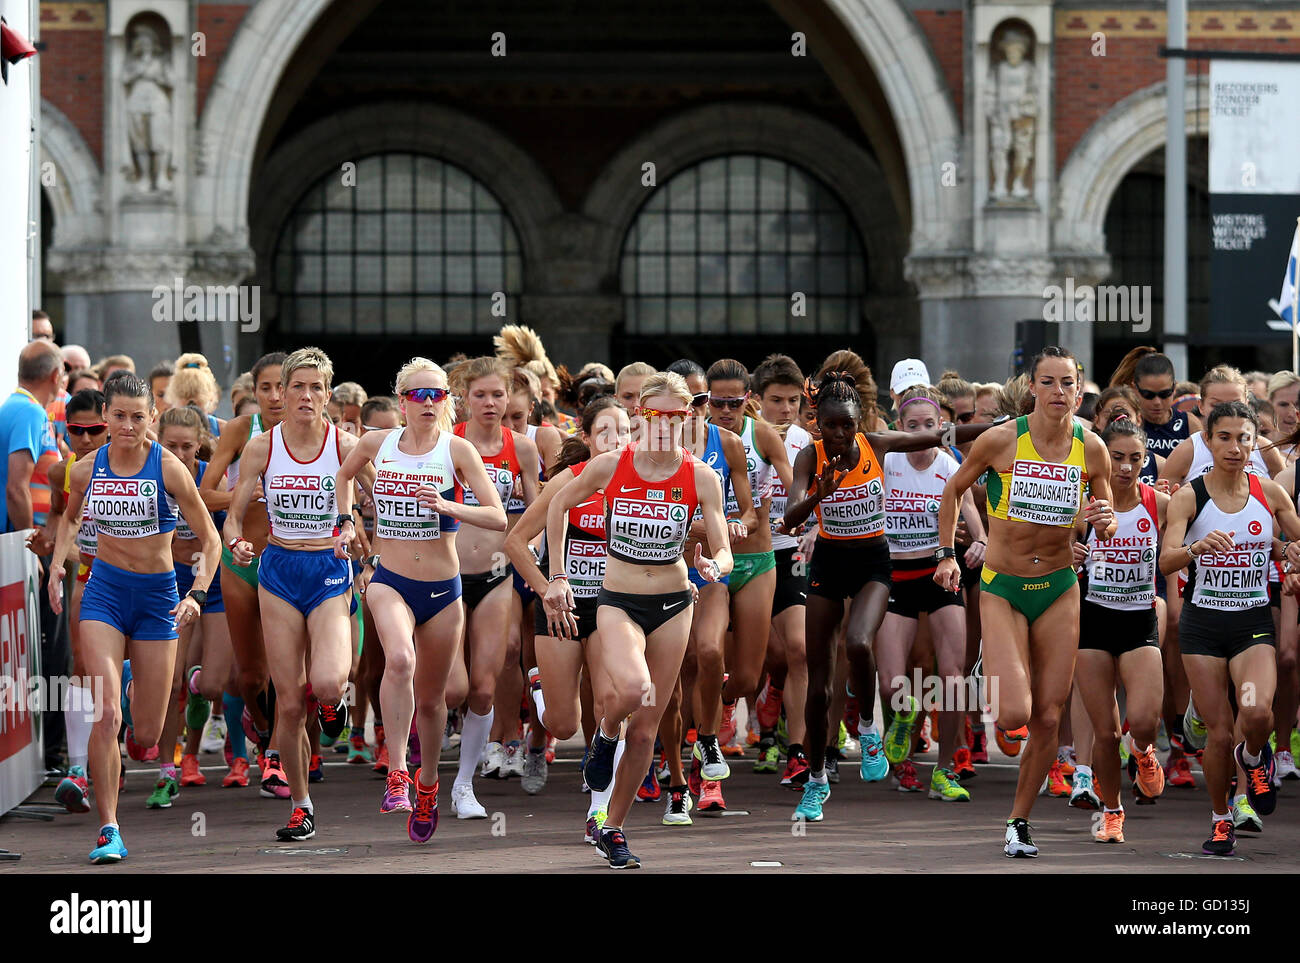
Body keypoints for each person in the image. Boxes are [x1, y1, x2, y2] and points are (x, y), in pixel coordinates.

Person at [784, 352, 991, 823]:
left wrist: (1017, 424)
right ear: (818, 424)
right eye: (830, 426)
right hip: (830, 562)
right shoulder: (808, 455)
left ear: (860, 423)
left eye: (847, 426)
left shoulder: (876, 445)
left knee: (858, 641)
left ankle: (869, 724)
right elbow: (790, 517)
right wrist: (822, 489)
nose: (839, 436)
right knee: (818, 685)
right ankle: (816, 780)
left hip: (875, 561)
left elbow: (942, 436)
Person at [545, 371, 733, 868]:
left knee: (649, 730)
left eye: (677, 416)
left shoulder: (701, 476)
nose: (667, 425)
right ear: (640, 416)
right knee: (630, 690)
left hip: (674, 604)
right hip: (619, 602)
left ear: (688, 419)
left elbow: (723, 548)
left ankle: (614, 829)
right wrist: (558, 574)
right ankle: (605, 736)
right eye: (656, 416)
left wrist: (716, 565)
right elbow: (558, 506)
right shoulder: (611, 465)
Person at [934, 346, 1116, 857]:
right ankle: (990, 661)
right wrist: (947, 554)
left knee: (1049, 718)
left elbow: (1104, 511)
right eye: (1049, 382)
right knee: (1014, 713)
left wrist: (1103, 521)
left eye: (1069, 384)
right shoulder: (1000, 440)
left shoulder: (1092, 447)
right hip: (1003, 586)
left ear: (1080, 392)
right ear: (1032, 387)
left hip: (1059, 586)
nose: (1060, 392)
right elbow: (952, 490)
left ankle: (1018, 821)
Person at [48, 374, 220, 863]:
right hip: (103, 592)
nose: (126, 427)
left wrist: (197, 595)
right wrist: (60, 564)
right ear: (107, 414)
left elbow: (211, 540)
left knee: (144, 734)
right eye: (118, 416)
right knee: (107, 716)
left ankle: (127, 678)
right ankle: (109, 828)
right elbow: (73, 518)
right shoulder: (85, 470)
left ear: (152, 418)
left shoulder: (168, 469)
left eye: (137, 417)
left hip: (157, 600)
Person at [335, 358, 506, 842]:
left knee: (433, 702)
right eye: (418, 395)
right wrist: (348, 522)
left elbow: (497, 516)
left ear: (447, 402)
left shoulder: (458, 450)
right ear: (402, 400)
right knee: (400, 660)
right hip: (389, 579)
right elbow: (342, 478)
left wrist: (449, 504)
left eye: (437, 395)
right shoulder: (378, 444)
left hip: (443, 590)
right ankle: (395, 773)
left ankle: (428, 783)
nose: (428, 403)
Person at [225, 347, 368, 841]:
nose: (306, 396)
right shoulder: (262, 448)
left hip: (328, 569)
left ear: (328, 395)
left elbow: (374, 500)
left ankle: (334, 705)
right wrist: (235, 542)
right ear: (281, 393)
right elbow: (233, 514)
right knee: (287, 705)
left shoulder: (347, 445)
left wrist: (361, 537)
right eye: (297, 387)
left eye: (316, 388)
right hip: (279, 569)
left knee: (328, 682)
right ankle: (302, 807)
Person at [1160, 400, 1300, 855]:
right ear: (1208, 440)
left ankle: (1254, 757)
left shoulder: (1269, 493)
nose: (1236, 447)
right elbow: (1165, 559)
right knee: (1219, 733)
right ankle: (1222, 818)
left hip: (1251, 626)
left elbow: (1295, 540)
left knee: (1257, 713)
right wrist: (1197, 548)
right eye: (1225, 437)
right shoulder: (1190, 496)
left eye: (1245, 438)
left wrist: (1289, 552)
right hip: (1203, 629)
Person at [505, 396, 631, 832]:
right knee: (563, 722)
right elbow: (516, 542)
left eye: (626, 431)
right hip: (562, 607)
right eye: (606, 432)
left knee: (609, 707)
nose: (618, 440)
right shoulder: (566, 482)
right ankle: (539, 687)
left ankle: (600, 810)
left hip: (613, 608)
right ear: (588, 437)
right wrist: (547, 589)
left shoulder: (642, 482)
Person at [876, 385, 986, 800]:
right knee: (890, 684)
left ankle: (944, 770)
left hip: (940, 574)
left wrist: (980, 542)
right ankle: (904, 719)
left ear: (941, 427)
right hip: (894, 576)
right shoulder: (887, 461)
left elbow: (970, 511)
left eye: (929, 425)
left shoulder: (947, 463)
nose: (921, 433)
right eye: (912, 426)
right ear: (899, 427)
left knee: (952, 677)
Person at [445, 356, 540, 815]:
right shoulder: (446, 443)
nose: (489, 402)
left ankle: (464, 785)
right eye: (479, 394)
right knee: (452, 689)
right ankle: (419, 764)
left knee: (485, 683)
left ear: (509, 398)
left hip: (498, 574)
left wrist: (530, 550)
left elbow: (538, 511)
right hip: (445, 574)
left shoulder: (521, 447)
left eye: (497, 395)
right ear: (463, 397)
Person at [1072, 419, 1169, 842]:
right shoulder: (1083, 504)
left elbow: (1201, 531)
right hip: (1092, 621)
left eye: (1135, 459)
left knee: (1144, 720)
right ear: (1102, 458)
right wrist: (1068, 551)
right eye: (1117, 458)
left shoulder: (1159, 504)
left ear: (1145, 460)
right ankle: (1112, 812)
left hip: (1139, 620)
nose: (1126, 468)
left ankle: (1144, 751)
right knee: (1106, 733)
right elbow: (1049, 550)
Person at [201, 352, 288, 798]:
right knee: (251, 678)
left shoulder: (319, 433)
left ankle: (276, 755)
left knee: (289, 675)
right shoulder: (240, 431)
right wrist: (238, 493)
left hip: (292, 567)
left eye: (282, 386)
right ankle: (261, 721)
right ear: (254, 392)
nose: (275, 397)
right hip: (240, 565)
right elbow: (203, 494)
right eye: (266, 388)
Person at [149, 406, 232, 803]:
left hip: (212, 587)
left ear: (199, 446)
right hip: (169, 587)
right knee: (171, 682)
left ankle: (199, 697)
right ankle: (173, 767)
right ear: (157, 441)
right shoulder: (150, 476)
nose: (179, 454)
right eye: (171, 446)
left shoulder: (208, 479)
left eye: (187, 447)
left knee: (212, 683)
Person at [44, 389, 108, 813]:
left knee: (130, 690)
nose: (84, 439)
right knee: (82, 668)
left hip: (143, 582)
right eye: (75, 431)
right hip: (88, 578)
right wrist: (51, 548)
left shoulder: (148, 464)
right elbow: (57, 516)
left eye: (94, 430)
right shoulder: (63, 472)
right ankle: (80, 770)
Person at [751, 354, 814, 784]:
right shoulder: (740, 438)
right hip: (749, 556)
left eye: (793, 401)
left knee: (800, 648)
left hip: (791, 550)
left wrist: (815, 529)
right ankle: (769, 698)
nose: (786, 410)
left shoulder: (808, 443)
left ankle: (797, 749)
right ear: (757, 400)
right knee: (764, 659)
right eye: (776, 400)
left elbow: (823, 495)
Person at [1, 340, 63, 532]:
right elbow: (16, 489)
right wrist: (28, 548)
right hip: (20, 537)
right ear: (55, 375)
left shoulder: (16, 406)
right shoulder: (30, 411)